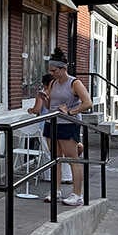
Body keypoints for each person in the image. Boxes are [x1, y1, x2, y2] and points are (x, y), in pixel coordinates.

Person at [41, 49, 93, 207]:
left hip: (68, 124)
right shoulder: (52, 82)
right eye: (50, 70)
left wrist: (71, 111)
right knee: (55, 159)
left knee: (71, 160)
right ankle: (55, 191)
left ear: (63, 69)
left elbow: (88, 103)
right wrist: (45, 98)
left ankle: (77, 195)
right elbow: (51, 105)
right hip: (51, 123)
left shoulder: (74, 83)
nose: (51, 73)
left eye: (54, 70)